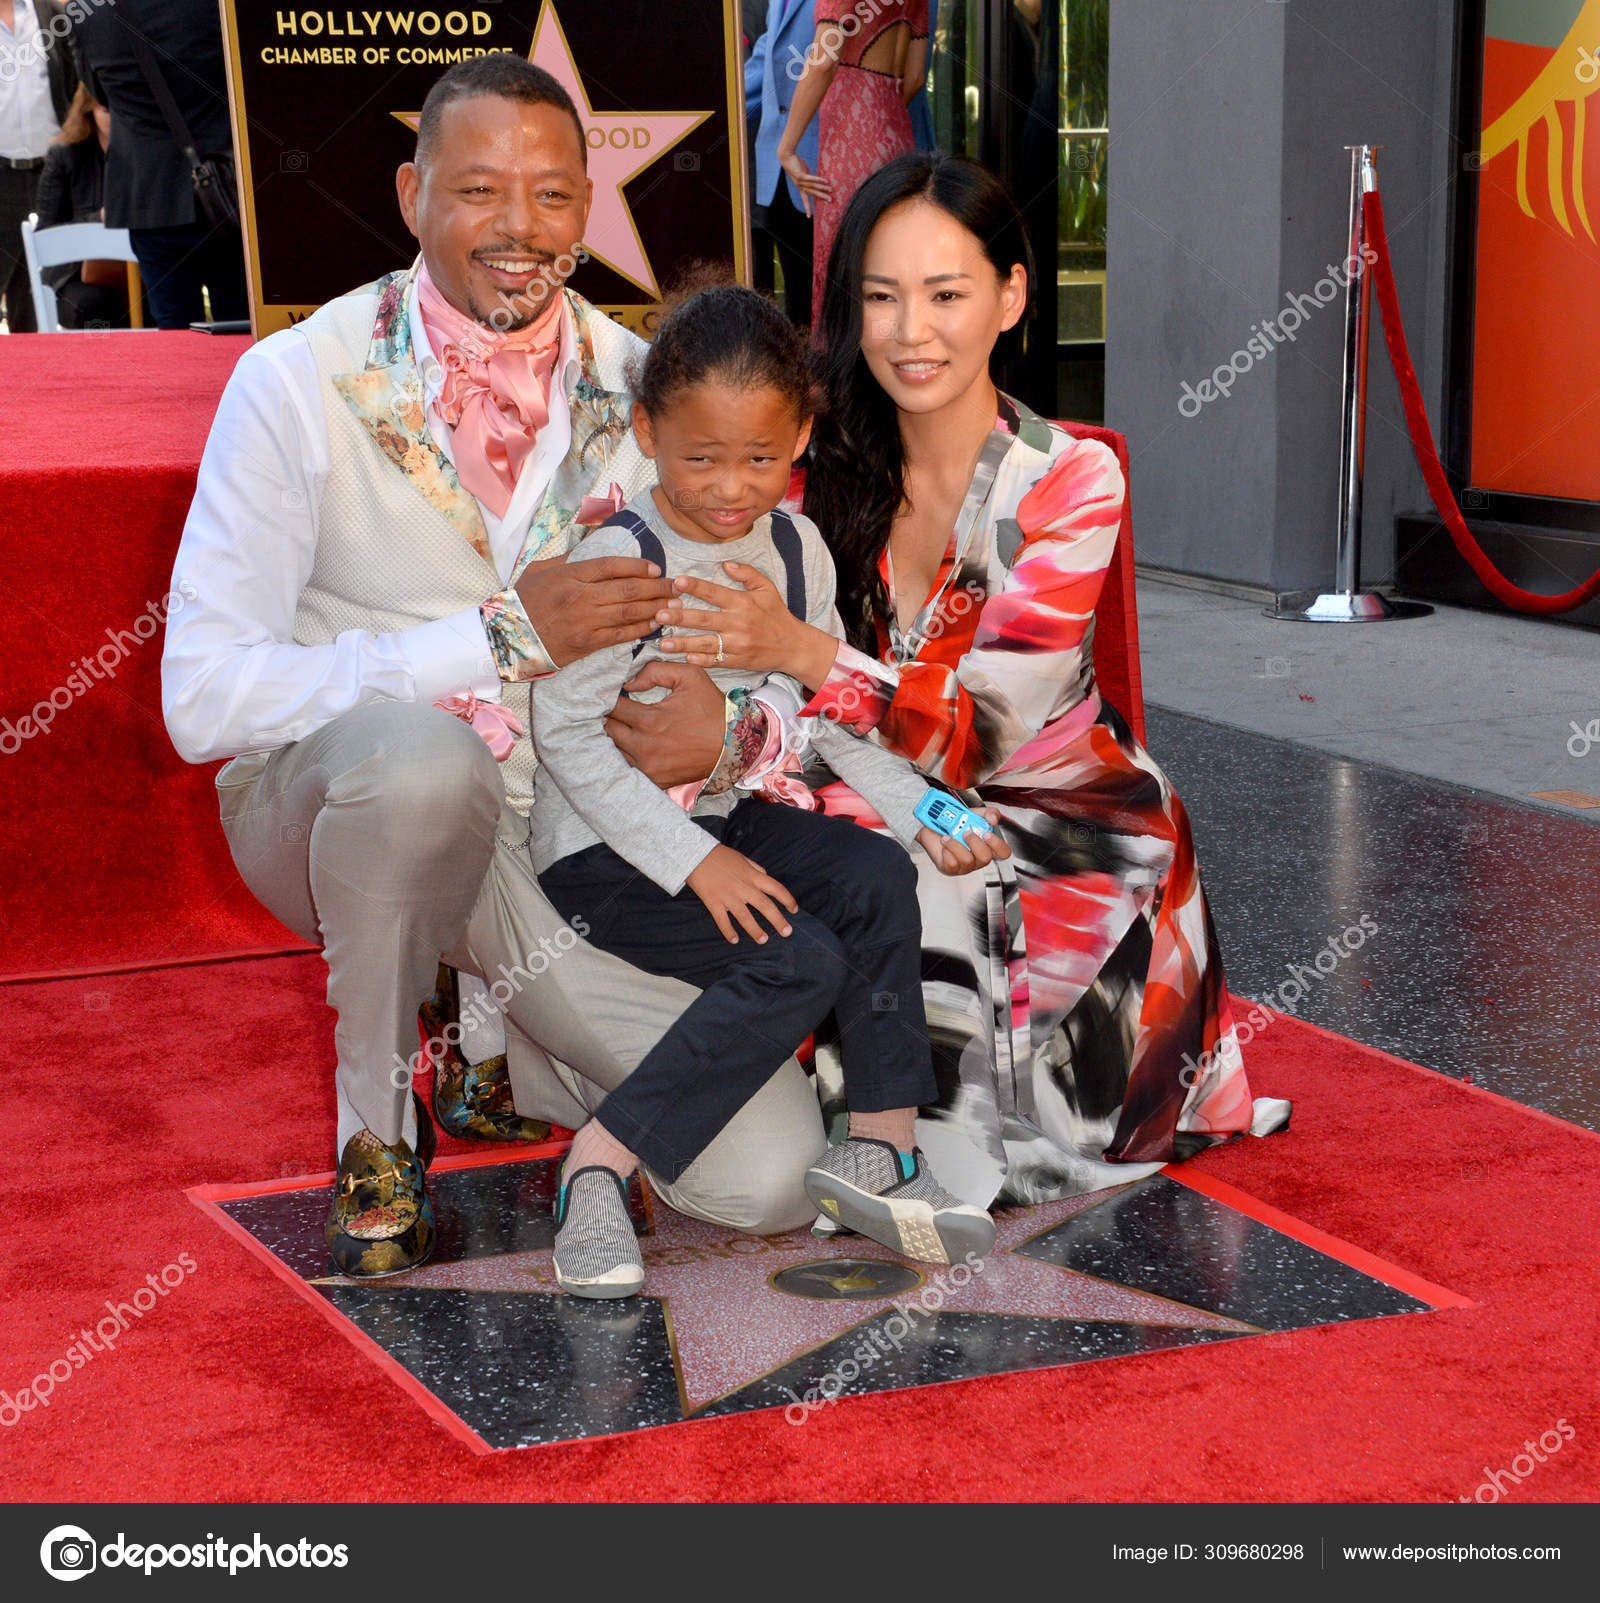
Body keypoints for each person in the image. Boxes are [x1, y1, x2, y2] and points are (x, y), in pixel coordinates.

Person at [161, 56, 827, 1280]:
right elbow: (202, 700)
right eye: (479, 190)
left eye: (553, 195)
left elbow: (768, 640)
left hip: (566, 850)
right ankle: (379, 1125)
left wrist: (727, 739)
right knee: (426, 762)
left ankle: (509, 1037)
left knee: (768, 1177)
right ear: (411, 195)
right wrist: (494, 637)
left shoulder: (653, 392)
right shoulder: (293, 381)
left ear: (589, 206)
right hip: (348, 811)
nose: (521, 229)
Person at [652, 153, 1292, 1207]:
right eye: (880, 297)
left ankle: (913, 1165)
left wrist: (801, 652)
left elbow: (984, 733)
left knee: (912, 863)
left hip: (1069, 814)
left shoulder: (1073, 479)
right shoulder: (807, 477)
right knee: (844, 854)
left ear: (1010, 295)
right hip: (865, 786)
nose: (912, 331)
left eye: (946, 294)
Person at [532, 282, 1003, 1296]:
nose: (728, 488)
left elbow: (825, 713)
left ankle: (879, 1150)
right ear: (648, 430)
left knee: (876, 871)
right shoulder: (625, 556)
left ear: (800, 434)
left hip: (719, 813)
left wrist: (919, 801)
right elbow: (563, 731)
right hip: (604, 854)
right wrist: (698, 862)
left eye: (758, 458)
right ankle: (600, 1165)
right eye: (699, 457)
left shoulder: (794, 548)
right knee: (801, 958)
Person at [71, 0, 246, 328]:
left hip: (150, 194)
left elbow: (99, 93)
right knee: (242, 330)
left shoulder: (88, 11)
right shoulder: (220, 7)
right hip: (231, 187)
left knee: (173, 333)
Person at [774, 0, 927, 324]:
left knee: (843, 278)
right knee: (888, 275)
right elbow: (914, 78)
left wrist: (787, 148)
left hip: (849, 141)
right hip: (896, 138)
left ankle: (842, 372)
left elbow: (822, 62)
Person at [0, 0, 76, 333]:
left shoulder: (52, 13)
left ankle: (34, 373)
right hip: (2, 173)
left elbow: (77, 84)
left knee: (42, 284)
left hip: (55, 170)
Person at [744, 0, 817, 326]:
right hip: (777, 173)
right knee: (798, 307)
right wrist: (706, 104)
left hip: (823, 161)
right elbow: (762, 67)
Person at [34, 83, 129, 329]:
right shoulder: (64, 155)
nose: (117, 120)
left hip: (140, 272)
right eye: (107, 111)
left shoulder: (147, 155)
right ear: (89, 112)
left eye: (123, 111)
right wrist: (99, 218)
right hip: (75, 274)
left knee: (168, 301)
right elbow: (45, 233)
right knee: (91, 305)